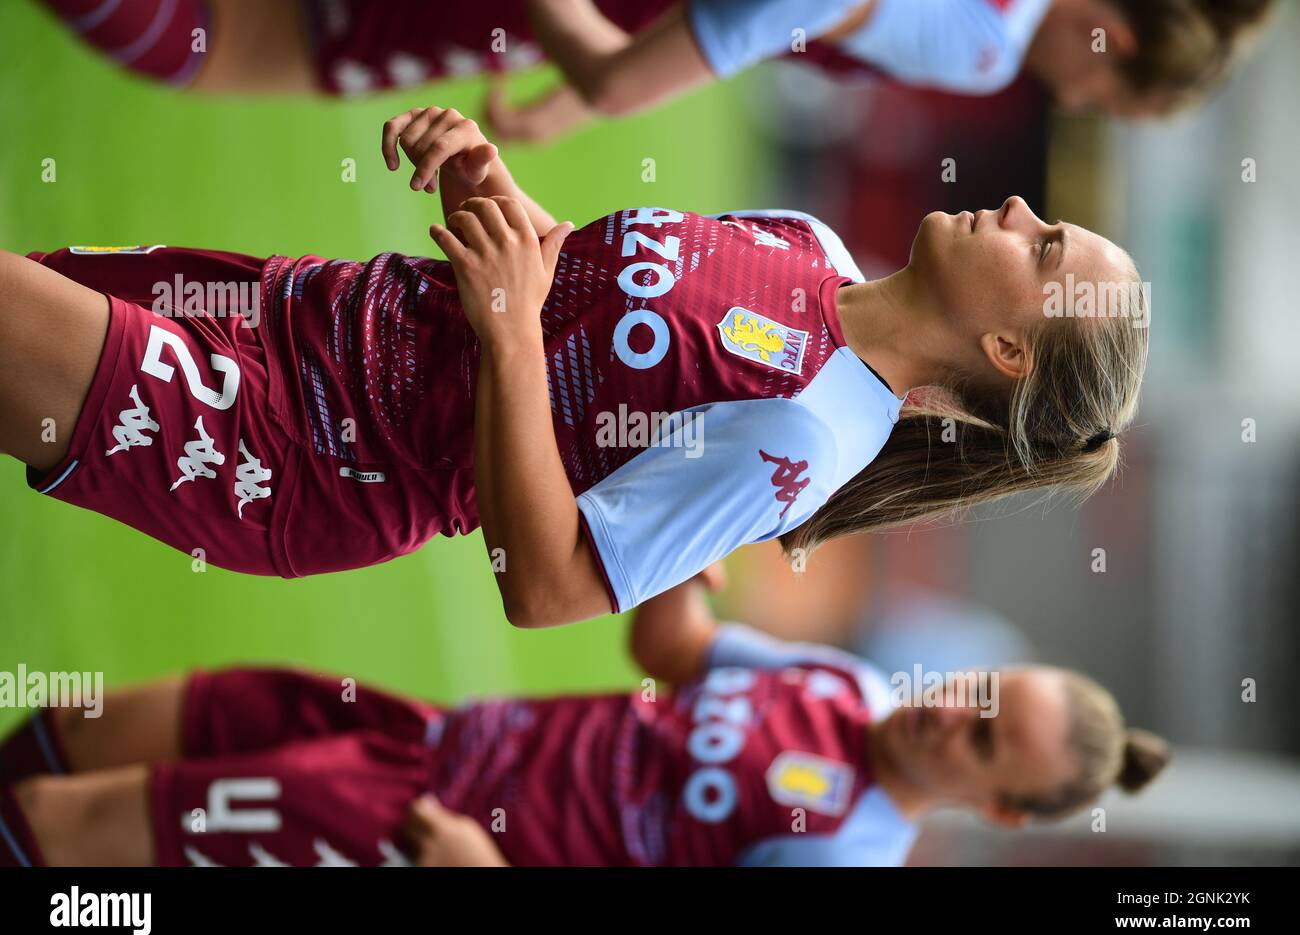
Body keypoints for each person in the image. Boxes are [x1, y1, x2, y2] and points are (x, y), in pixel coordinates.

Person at [0, 106, 1148, 626]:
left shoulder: (811, 431)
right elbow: (568, 287)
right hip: (296, 303)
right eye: (1040, 216)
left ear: (1007, 350)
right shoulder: (810, 243)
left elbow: (545, 586)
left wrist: (502, 328)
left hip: (310, 450)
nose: (1012, 205)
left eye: (1039, 246)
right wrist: (483, 181)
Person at [0, 566, 1171, 867]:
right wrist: (689, 528)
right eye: (974, 692)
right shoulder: (846, 686)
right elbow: (672, 653)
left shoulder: (844, 848)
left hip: (420, 834)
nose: (946, 712)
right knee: (99, 724)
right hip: (434, 738)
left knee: (77, 821)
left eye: (980, 739)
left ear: (1002, 809)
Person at [32, 1, 1277, 132]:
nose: (1077, 103)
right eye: (1111, 96)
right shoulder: (984, 38)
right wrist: (611, 77)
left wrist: (586, 97)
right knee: (200, 44)